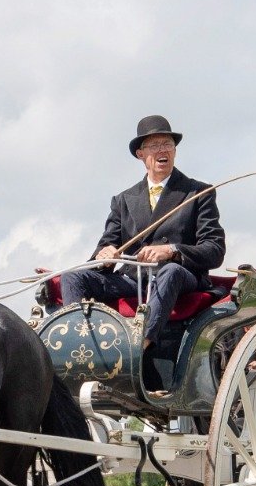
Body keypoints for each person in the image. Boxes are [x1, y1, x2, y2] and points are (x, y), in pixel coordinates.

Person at [62, 115, 226, 351]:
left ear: (175, 150)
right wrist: (104, 255)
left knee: (170, 272)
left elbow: (215, 250)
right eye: (155, 145)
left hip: (180, 277)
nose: (163, 150)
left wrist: (171, 251)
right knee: (73, 277)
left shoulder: (198, 193)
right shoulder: (123, 200)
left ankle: (140, 346)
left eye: (167, 144)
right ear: (141, 154)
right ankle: (81, 347)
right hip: (134, 280)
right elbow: (106, 246)